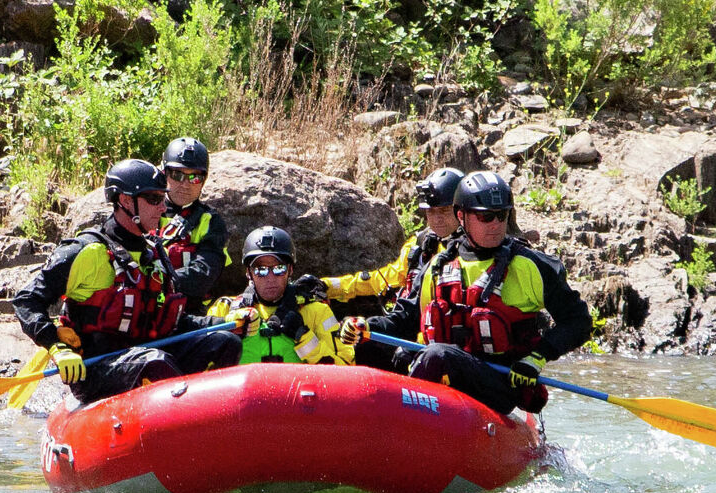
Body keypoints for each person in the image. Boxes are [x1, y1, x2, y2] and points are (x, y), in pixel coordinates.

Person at [12, 158, 241, 404]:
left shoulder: (154, 252)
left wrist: (222, 323)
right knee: (154, 362)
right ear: (125, 201)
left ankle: (203, 415)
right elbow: (26, 300)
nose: (162, 208)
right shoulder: (86, 251)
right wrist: (55, 344)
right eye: (153, 199)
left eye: (162, 198)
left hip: (149, 355)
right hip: (97, 368)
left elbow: (171, 320)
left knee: (224, 342)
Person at [368, 170, 591, 416]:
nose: (496, 225)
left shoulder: (532, 266)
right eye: (485, 217)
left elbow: (578, 322)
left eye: (501, 215)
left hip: (499, 384)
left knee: (437, 355)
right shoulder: (438, 266)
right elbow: (403, 320)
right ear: (462, 216)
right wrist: (364, 326)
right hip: (447, 382)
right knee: (384, 350)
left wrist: (537, 358)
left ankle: (405, 421)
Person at [322, 167, 463, 370]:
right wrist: (327, 286)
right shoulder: (420, 245)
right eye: (431, 211)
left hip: (443, 348)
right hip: (407, 333)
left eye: (444, 211)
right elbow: (382, 279)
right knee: (365, 347)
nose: (437, 219)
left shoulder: (470, 253)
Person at [208, 226, 361, 367]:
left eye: (278, 269)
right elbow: (201, 371)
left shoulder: (317, 312)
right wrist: (230, 334)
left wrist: (304, 338)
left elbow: (346, 369)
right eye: (260, 270)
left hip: (299, 394)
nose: (270, 277)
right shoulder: (225, 309)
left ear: (290, 270)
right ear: (248, 273)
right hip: (242, 396)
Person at [158, 136, 228, 312]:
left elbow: (204, 275)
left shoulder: (211, 221)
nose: (185, 184)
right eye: (177, 174)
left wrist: (153, 282)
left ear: (204, 180)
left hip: (191, 312)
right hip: (144, 308)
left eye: (195, 177)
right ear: (164, 173)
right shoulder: (144, 210)